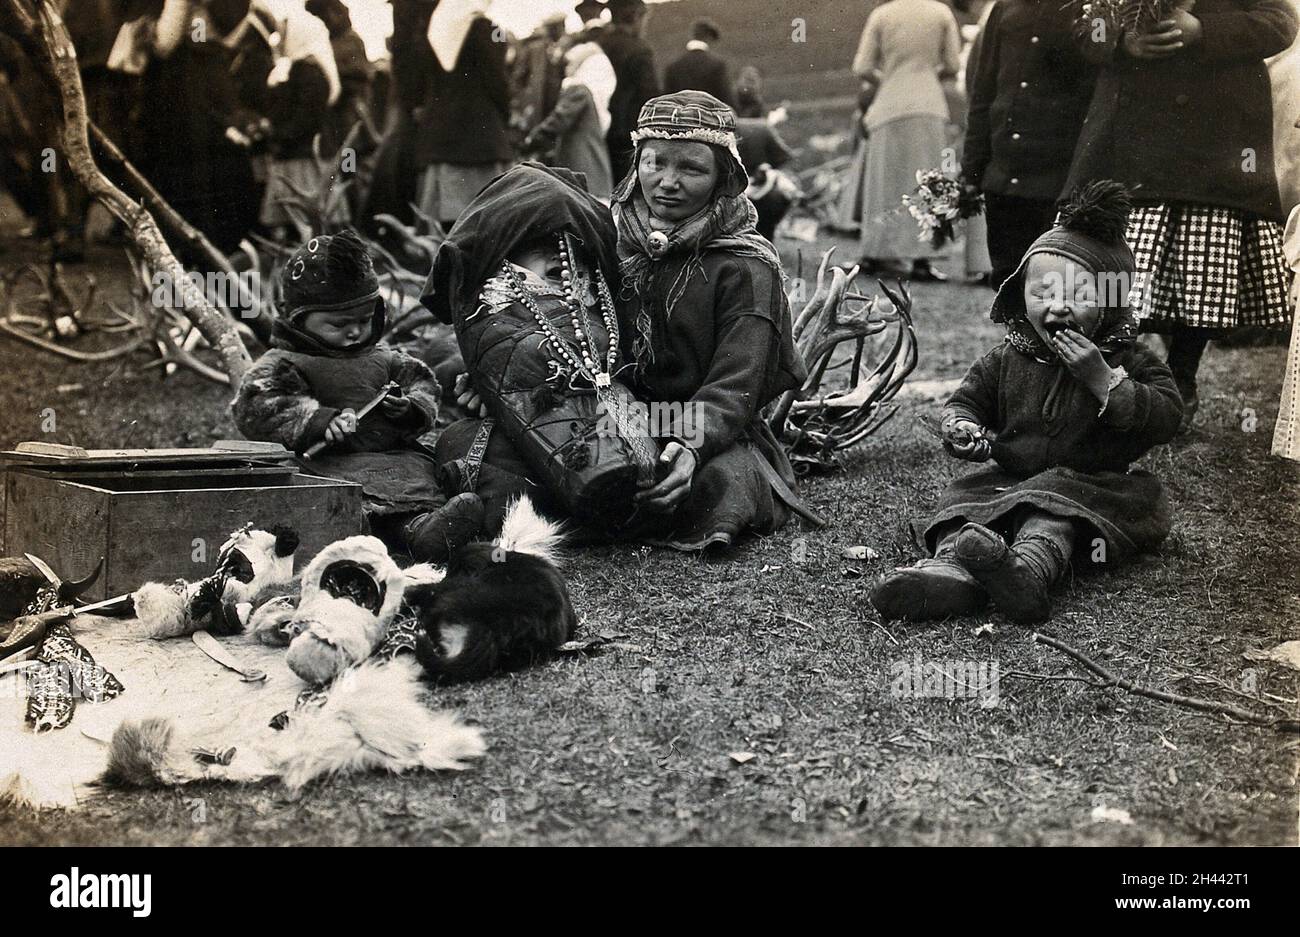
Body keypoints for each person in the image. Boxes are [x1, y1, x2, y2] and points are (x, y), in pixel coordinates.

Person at [871, 182, 1184, 624]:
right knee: (962, 503)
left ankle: (1027, 573)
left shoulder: (1128, 358)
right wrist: (961, 427)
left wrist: (1104, 380)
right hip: (1011, 478)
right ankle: (949, 574)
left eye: (1077, 297)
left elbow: (1167, 416)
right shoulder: (1009, 356)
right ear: (1021, 295)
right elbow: (966, 402)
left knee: (1051, 513)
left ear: (1113, 302)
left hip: (1093, 486)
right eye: (1042, 295)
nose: (1056, 309)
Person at [1064, 1, 1298, 432]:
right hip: (1129, 140)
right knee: (1117, 278)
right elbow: (1082, 27)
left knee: (1202, 282)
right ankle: (1109, 375)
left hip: (1214, 142)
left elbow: (1281, 23)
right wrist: (1122, 40)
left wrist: (1202, 30)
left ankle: (1179, 380)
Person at [609, 91, 818, 550]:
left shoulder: (746, 267)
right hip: (618, 420)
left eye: (691, 168)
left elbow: (734, 383)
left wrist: (688, 446)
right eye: (655, 163)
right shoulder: (613, 244)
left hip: (710, 433)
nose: (667, 182)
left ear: (725, 179)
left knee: (725, 483)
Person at [232, 230, 484, 563]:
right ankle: (357, 535)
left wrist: (411, 408)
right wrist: (316, 420)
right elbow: (255, 404)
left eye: (364, 320)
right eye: (338, 324)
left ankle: (422, 531)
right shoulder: (284, 362)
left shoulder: (384, 358)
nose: (354, 332)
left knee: (415, 491)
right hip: (326, 464)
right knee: (338, 502)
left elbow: (423, 381)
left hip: (394, 459)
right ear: (299, 320)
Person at [963, 0, 1099, 288]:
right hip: (1003, 179)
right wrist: (972, 170)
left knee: (1054, 287)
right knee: (1007, 280)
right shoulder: (1004, 8)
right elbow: (983, 90)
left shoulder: (1089, 9)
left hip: (1056, 182)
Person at [849, 0, 962, 281]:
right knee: (929, 182)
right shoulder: (941, 12)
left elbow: (862, 67)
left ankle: (875, 255)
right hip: (928, 104)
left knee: (883, 183)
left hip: (890, 105)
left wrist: (889, 78)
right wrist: (927, 76)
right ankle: (923, 260)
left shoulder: (882, 14)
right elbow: (953, 64)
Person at [412, 0, 513, 231]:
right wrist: (505, 115)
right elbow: (498, 80)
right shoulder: (488, 29)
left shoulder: (436, 30)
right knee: (488, 214)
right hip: (481, 135)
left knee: (445, 221)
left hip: (442, 135)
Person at [258, 8, 343, 240]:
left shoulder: (309, 72)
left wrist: (276, 133)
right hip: (294, 155)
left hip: (302, 158)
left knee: (304, 222)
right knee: (300, 222)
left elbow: (305, 119)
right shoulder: (293, 69)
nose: (281, 39)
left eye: (285, 33)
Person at [523, 40, 618, 201]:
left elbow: (559, 120)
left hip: (580, 162)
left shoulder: (578, 89)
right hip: (589, 163)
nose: (567, 68)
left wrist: (531, 139)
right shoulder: (592, 92)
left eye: (572, 63)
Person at [595, 0, 659, 183]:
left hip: (598, 131)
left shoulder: (599, 44)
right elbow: (650, 96)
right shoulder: (640, 49)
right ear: (634, 16)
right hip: (629, 134)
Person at [305, 0, 374, 157]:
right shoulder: (329, 42)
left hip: (349, 112)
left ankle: (351, 178)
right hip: (336, 116)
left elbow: (360, 72)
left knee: (349, 155)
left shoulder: (349, 40)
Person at [662, 18, 734, 107]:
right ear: (709, 38)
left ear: (692, 35)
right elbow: (726, 98)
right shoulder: (717, 66)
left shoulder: (672, 66)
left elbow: (666, 100)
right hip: (708, 119)